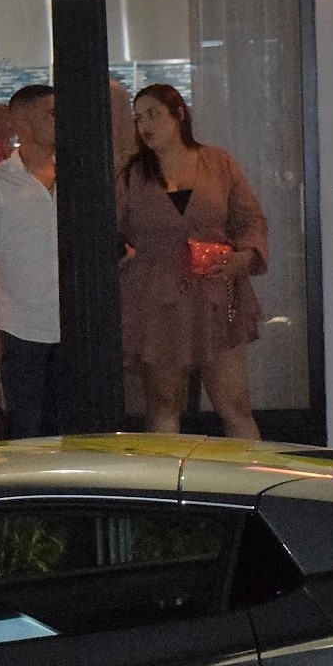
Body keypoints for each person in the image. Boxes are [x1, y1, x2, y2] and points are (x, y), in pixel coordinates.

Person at [116, 83, 270, 439]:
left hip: (216, 292)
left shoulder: (218, 163)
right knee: (164, 404)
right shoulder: (131, 173)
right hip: (157, 297)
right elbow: (111, 230)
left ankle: (249, 473)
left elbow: (251, 219)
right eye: (138, 118)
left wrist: (245, 256)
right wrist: (125, 256)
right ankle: (167, 476)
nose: (145, 125)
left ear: (179, 115)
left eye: (153, 114)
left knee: (235, 406)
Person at [0, 85, 59, 437]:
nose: (59, 120)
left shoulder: (77, 177)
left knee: (72, 432)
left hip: (74, 328)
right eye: (51, 113)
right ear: (23, 120)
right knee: (27, 432)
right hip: (21, 329)